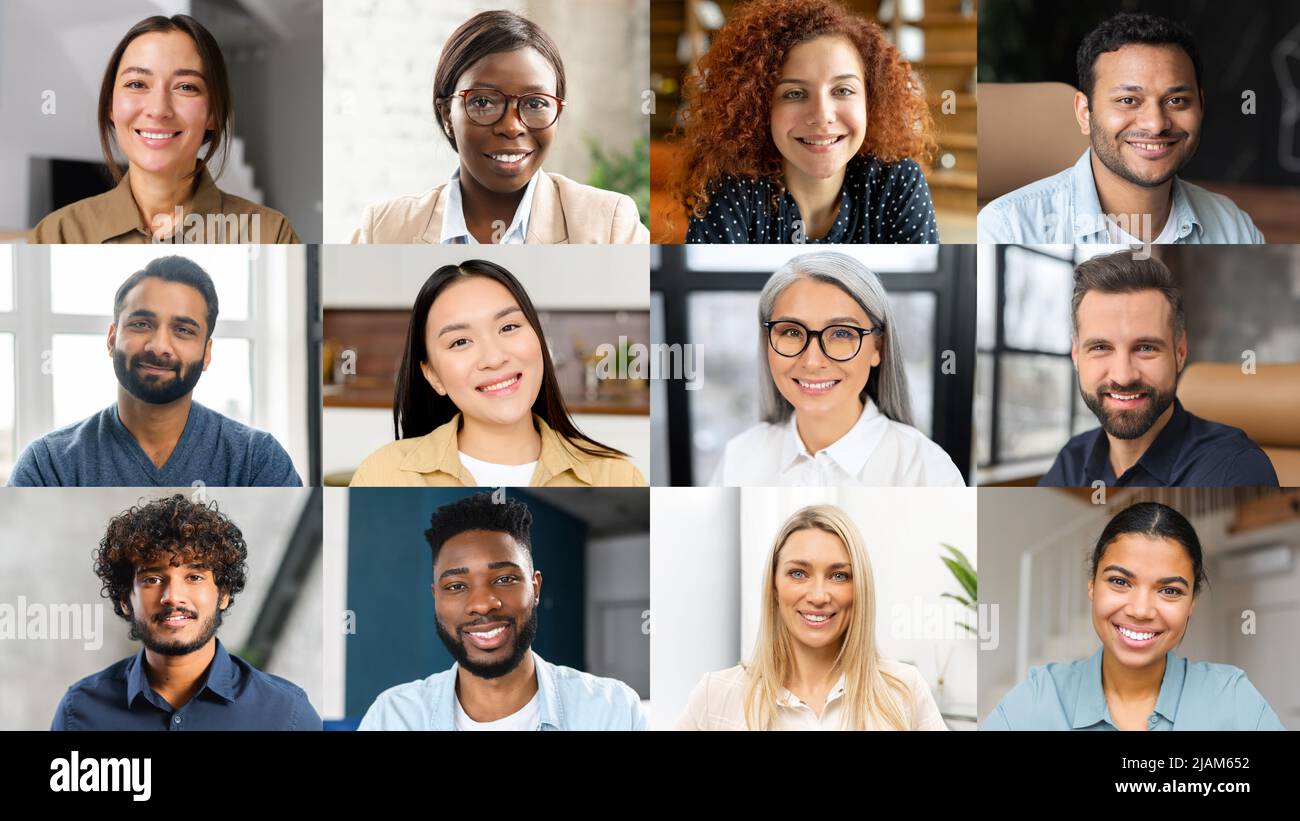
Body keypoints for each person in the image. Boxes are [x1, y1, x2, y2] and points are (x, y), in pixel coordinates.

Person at [352, 10, 648, 244]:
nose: (511, 126)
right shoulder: (383, 229)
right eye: (482, 102)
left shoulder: (609, 224)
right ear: (446, 114)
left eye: (535, 104)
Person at [359, 492, 647, 730]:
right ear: (436, 598)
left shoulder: (612, 711)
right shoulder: (393, 718)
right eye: (457, 586)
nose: (483, 604)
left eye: (505, 579)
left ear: (535, 588)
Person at [984, 502, 1284, 730]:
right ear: (1092, 585)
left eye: (1169, 591)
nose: (1140, 611)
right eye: (1119, 582)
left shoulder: (1232, 697)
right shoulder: (1039, 696)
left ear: (1192, 601)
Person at [8, 255, 301, 487]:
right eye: (141, 324)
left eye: (183, 330)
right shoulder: (48, 465)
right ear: (112, 339)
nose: (159, 346)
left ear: (207, 353)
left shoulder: (256, 459)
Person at [350, 259, 645, 487]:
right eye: (460, 342)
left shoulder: (617, 475)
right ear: (433, 376)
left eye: (508, 327)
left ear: (539, 340)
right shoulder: (383, 473)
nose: (493, 358)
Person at [978, 12, 1263, 244]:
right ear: (1084, 113)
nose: (1155, 124)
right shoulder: (1008, 229)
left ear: (1200, 105)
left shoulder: (1234, 227)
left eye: (1176, 100)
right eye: (1128, 100)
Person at [674, 0, 938, 244]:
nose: (823, 115)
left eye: (843, 90)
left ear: (872, 100)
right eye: (795, 94)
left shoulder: (898, 182)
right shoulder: (733, 190)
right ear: (759, 108)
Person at [51, 494, 321, 730]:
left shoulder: (287, 716)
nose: (173, 597)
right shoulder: (80, 711)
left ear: (223, 594)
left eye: (194, 577)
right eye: (152, 579)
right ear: (125, 600)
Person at [30, 14, 299, 244]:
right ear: (111, 106)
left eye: (186, 87)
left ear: (214, 114)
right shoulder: (58, 234)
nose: (158, 109)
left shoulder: (270, 234)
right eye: (137, 84)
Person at [677, 504, 946, 730]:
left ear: (860, 588)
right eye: (798, 573)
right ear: (774, 584)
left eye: (839, 576)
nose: (818, 596)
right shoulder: (716, 695)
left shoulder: (904, 690)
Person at [711, 252, 962, 486]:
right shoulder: (739, 457)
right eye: (791, 332)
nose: (812, 361)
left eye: (841, 333)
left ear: (878, 348)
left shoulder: (926, 469)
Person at [1040, 251, 1277, 487]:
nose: (1123, 376)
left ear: (1180, 353)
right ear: (1076, 354)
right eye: (1101, 347)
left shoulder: (1234, 469)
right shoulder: (1072, 460)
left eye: (1145, 347)